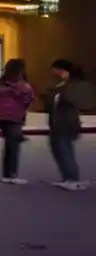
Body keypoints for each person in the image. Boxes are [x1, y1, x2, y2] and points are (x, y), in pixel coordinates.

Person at [46, 59, 95, 191]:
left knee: (63, 150)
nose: (54, 74)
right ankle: (68, 177)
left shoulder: (73, 85)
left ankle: (72, 178)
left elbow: (75, 100)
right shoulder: (62, 85)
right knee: (60, 149)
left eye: (56, 71)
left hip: (66, 122)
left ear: (63, 70)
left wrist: (60, 93)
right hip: (58, 122)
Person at [0, 58, 34, 185]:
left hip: (2, 117)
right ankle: (11, 174)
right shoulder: (21, 86)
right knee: (13, 147)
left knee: (9, 145)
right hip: (15, 117)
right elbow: (28, 98)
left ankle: (7, 174)